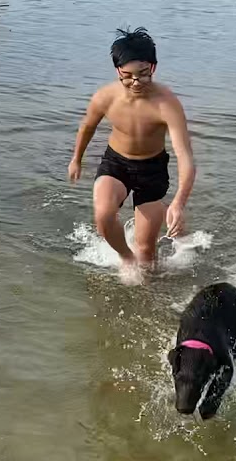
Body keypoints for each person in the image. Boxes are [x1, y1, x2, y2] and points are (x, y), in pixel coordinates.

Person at [68, 27, 196, 280]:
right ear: (117, 71)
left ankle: (149, 284)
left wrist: (180, 202)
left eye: (143, 74)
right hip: (116, 163)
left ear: (153, 68)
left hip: (152, 170)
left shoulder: (167, 103)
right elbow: (87, 127)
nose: (135, 82)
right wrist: (76, 159)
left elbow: (185, 156)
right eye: (127, 76)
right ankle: (126, 257)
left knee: (147, 252)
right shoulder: (106, 97)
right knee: (103, 216)